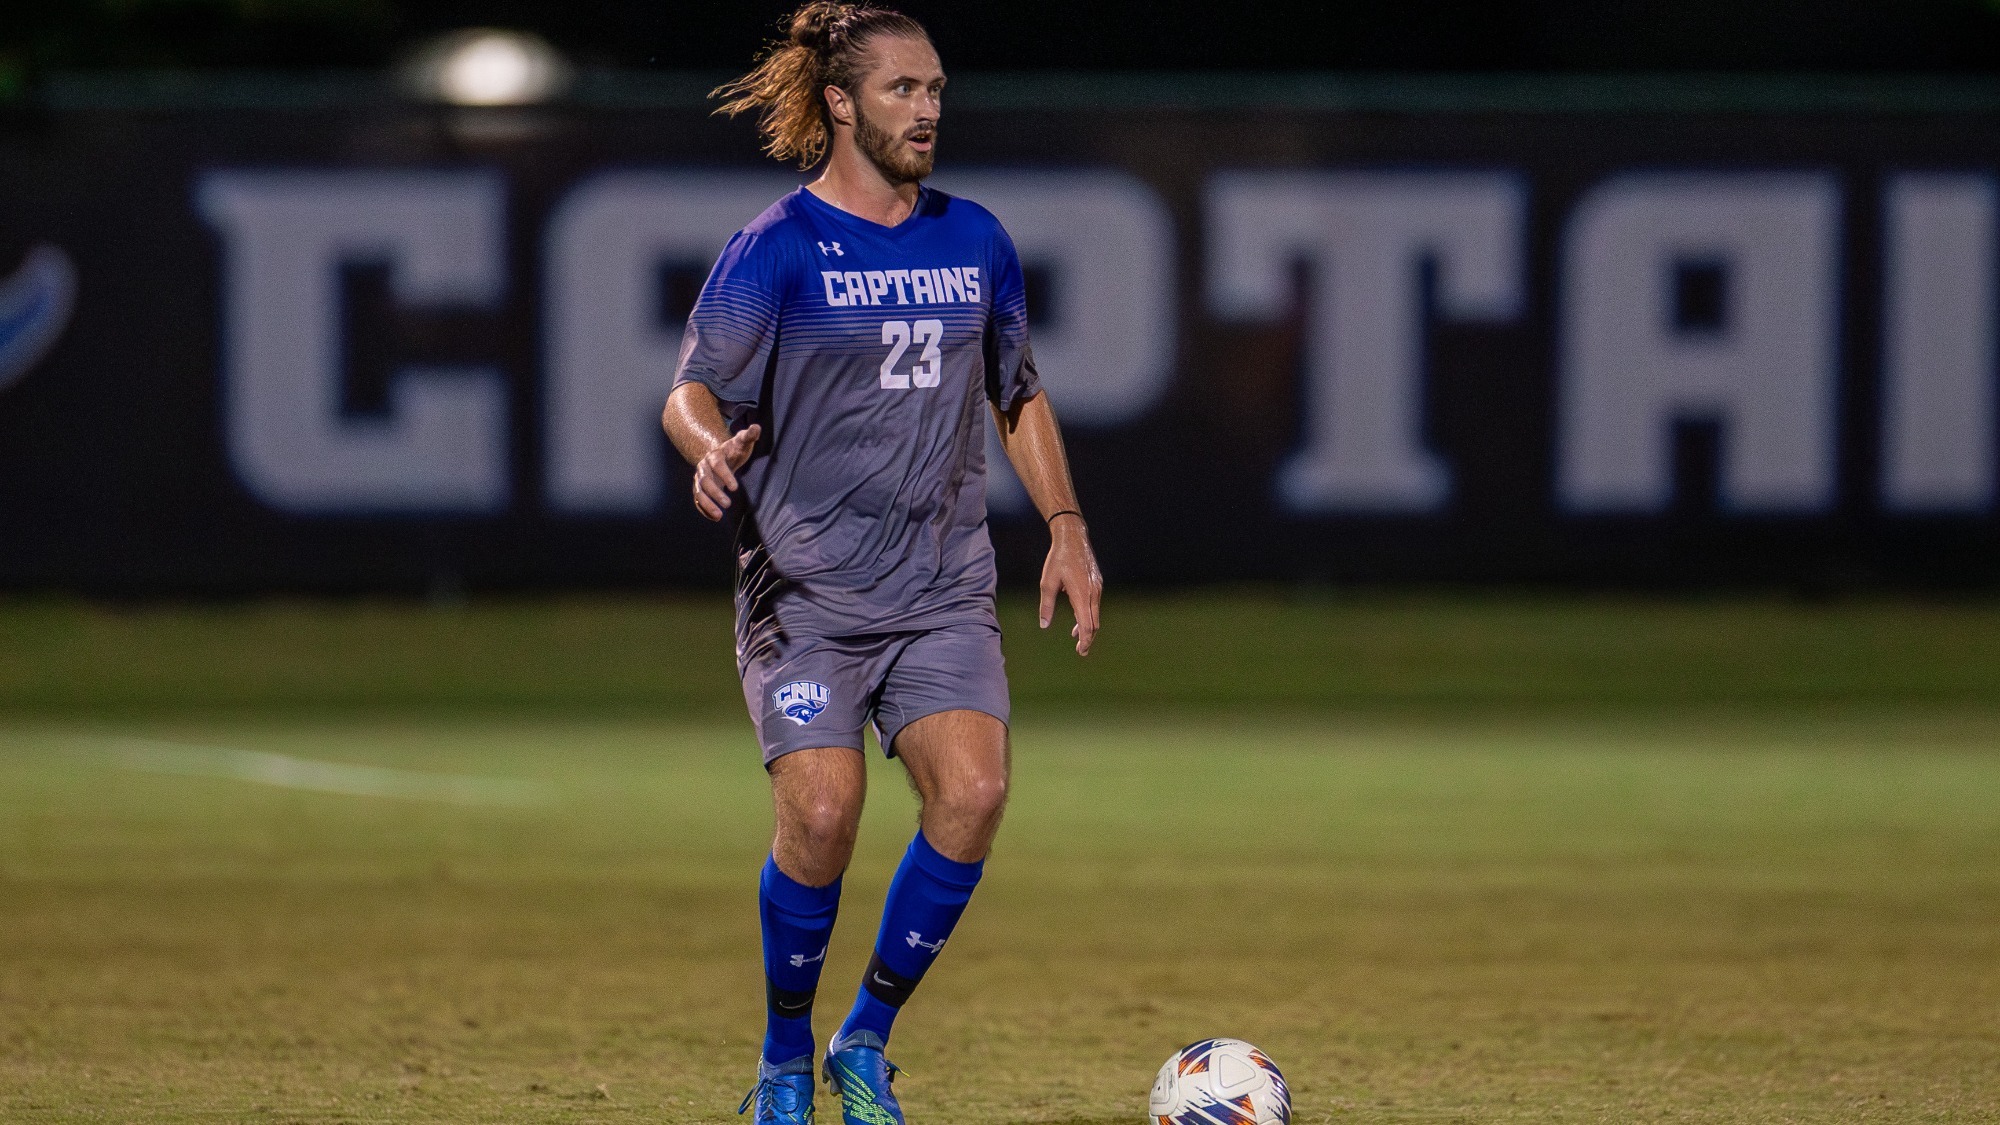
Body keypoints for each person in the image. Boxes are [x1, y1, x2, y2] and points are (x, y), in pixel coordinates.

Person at [660, 4, 1103, 1123]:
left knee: (975, 793)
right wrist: (708, 446)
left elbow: (1017, 390)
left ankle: (863, 1040)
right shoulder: (778, 246)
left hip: (940, 588)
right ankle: (781, 1059)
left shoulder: (975, 239)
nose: (927, 109)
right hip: (805, 590)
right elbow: (691, 388)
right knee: (821, 815)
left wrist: (1064, 523)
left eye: (936, 88)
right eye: (903, 89)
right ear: (841, 103)